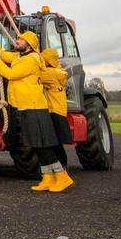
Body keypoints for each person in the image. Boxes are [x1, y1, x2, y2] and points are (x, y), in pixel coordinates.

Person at [0, 31, 66, 193]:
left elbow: (11, 74)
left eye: (20, 40)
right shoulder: (20, 56)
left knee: (43, 146)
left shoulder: (32, 60)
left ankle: (61, 177)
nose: (16, 41)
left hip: (35, 108)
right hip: (24, 107)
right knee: (36, 145)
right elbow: (7, 56)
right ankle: (48, 178)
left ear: (29, 44)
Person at [39, 47, 75, 191]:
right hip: (55, 111)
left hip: (54, 112)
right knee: (56, 144)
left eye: (44, 59)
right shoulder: (56, 71)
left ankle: (62, 175)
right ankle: (59, 174)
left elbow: (34, 74)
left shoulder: (51, 73)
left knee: (55, 144)